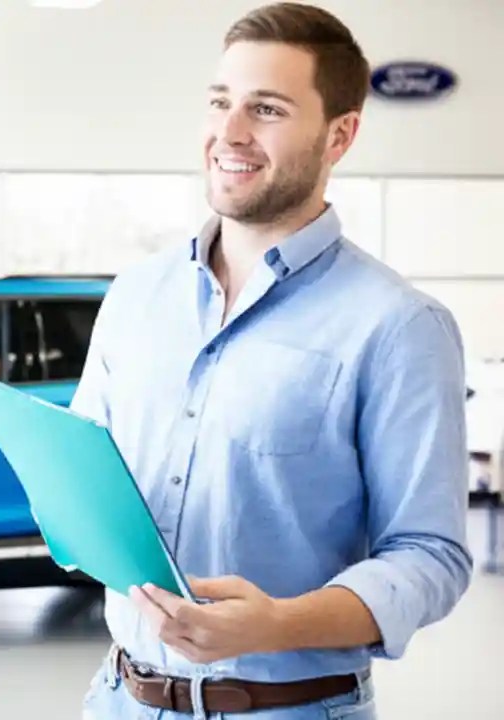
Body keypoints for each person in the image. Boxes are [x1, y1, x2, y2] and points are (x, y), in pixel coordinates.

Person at [72, 3, 471, 718]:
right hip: (118, 698)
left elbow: (430, 556)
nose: (229, 132)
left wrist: (279, 623)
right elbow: (80, 472)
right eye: (220, 101)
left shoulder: (398, 326)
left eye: (266, 109)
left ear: (339, 136)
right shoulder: (135, 295)